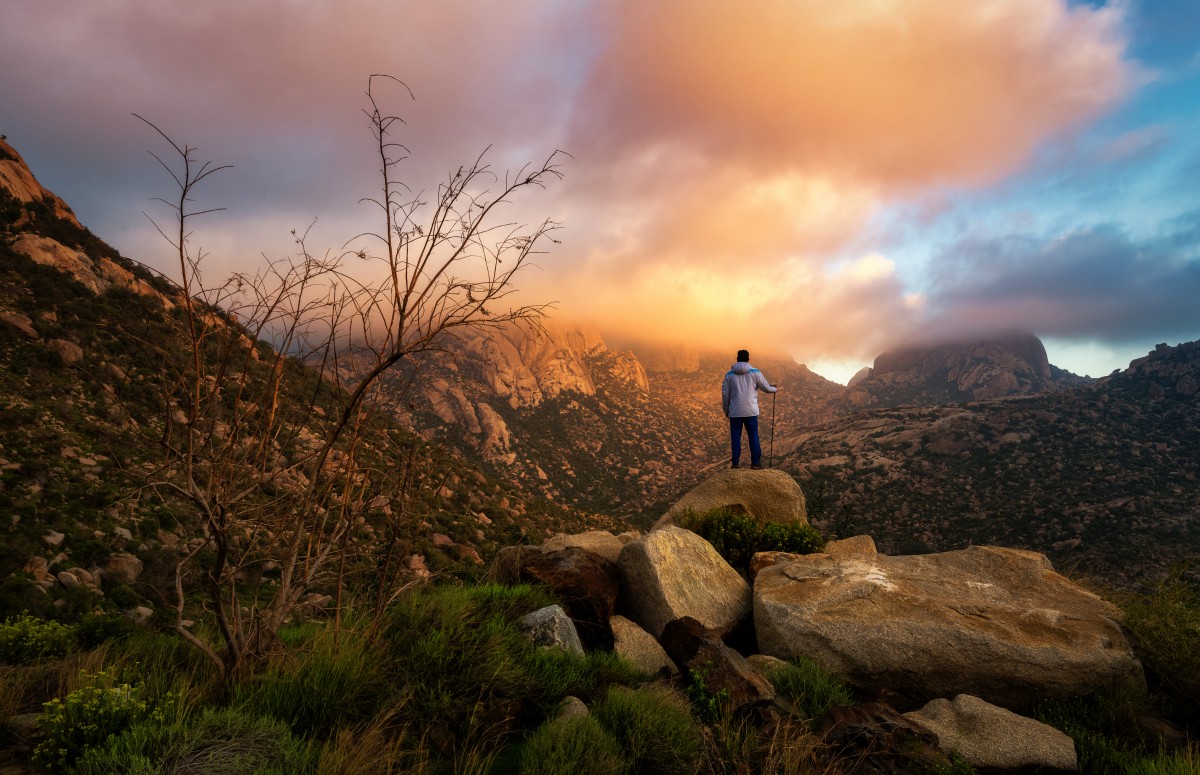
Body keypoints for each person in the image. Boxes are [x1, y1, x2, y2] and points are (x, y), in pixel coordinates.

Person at [721, 349, 777, 469]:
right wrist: (774, 389)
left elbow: (725, 394)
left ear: (737, 359)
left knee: (735, 436)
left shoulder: (729, 375)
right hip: (751, 411)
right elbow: (766, 388)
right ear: (748, 359)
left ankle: (735, 463)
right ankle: (755, 463)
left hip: (735, 411)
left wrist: (726, 410)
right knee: (753, 435)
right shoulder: (755, 373)